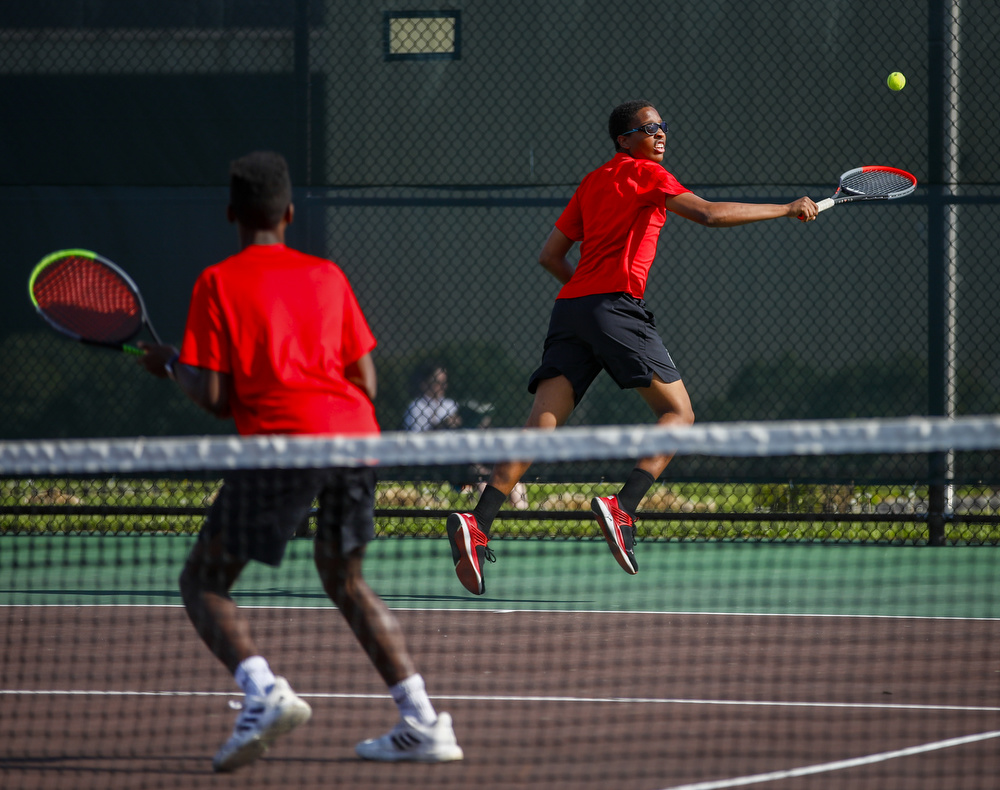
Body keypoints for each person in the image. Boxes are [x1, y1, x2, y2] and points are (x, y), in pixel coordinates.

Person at [137, 151, 463, 770]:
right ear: (288, 213)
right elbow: (363, 375)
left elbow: (211, 398)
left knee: (202, 582)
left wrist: (173, 364)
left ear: (232, 214)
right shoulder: (328, 276)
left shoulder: (216, 281)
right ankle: (422, 719)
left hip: (286, 444)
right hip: (358, 439)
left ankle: (264, 692)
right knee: (346, 580)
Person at [445, 100, 819, 595]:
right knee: (679, 415)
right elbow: (708, 214)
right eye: (650, 128)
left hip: (570, 310)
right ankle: (623, 506)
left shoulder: (592, 181)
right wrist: (786, 208)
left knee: (539, 425)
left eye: (663, 126)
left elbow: (550, 255)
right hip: (616, 307)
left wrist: (587, 295)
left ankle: (479, 521)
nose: (662, 134)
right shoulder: (646, 175)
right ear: (625, 140)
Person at [403, 360, 528, 509]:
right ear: (425, 383)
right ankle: (485, 486)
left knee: (500, 468)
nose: (442, 386)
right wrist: (443, 424)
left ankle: (520, 510)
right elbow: (417, 440)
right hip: (440, 458)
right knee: (481, 476)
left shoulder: (450, 404)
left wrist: (478, 423)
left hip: (466, 453)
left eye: (444, 382)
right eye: (437, 382)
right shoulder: (417, 407)